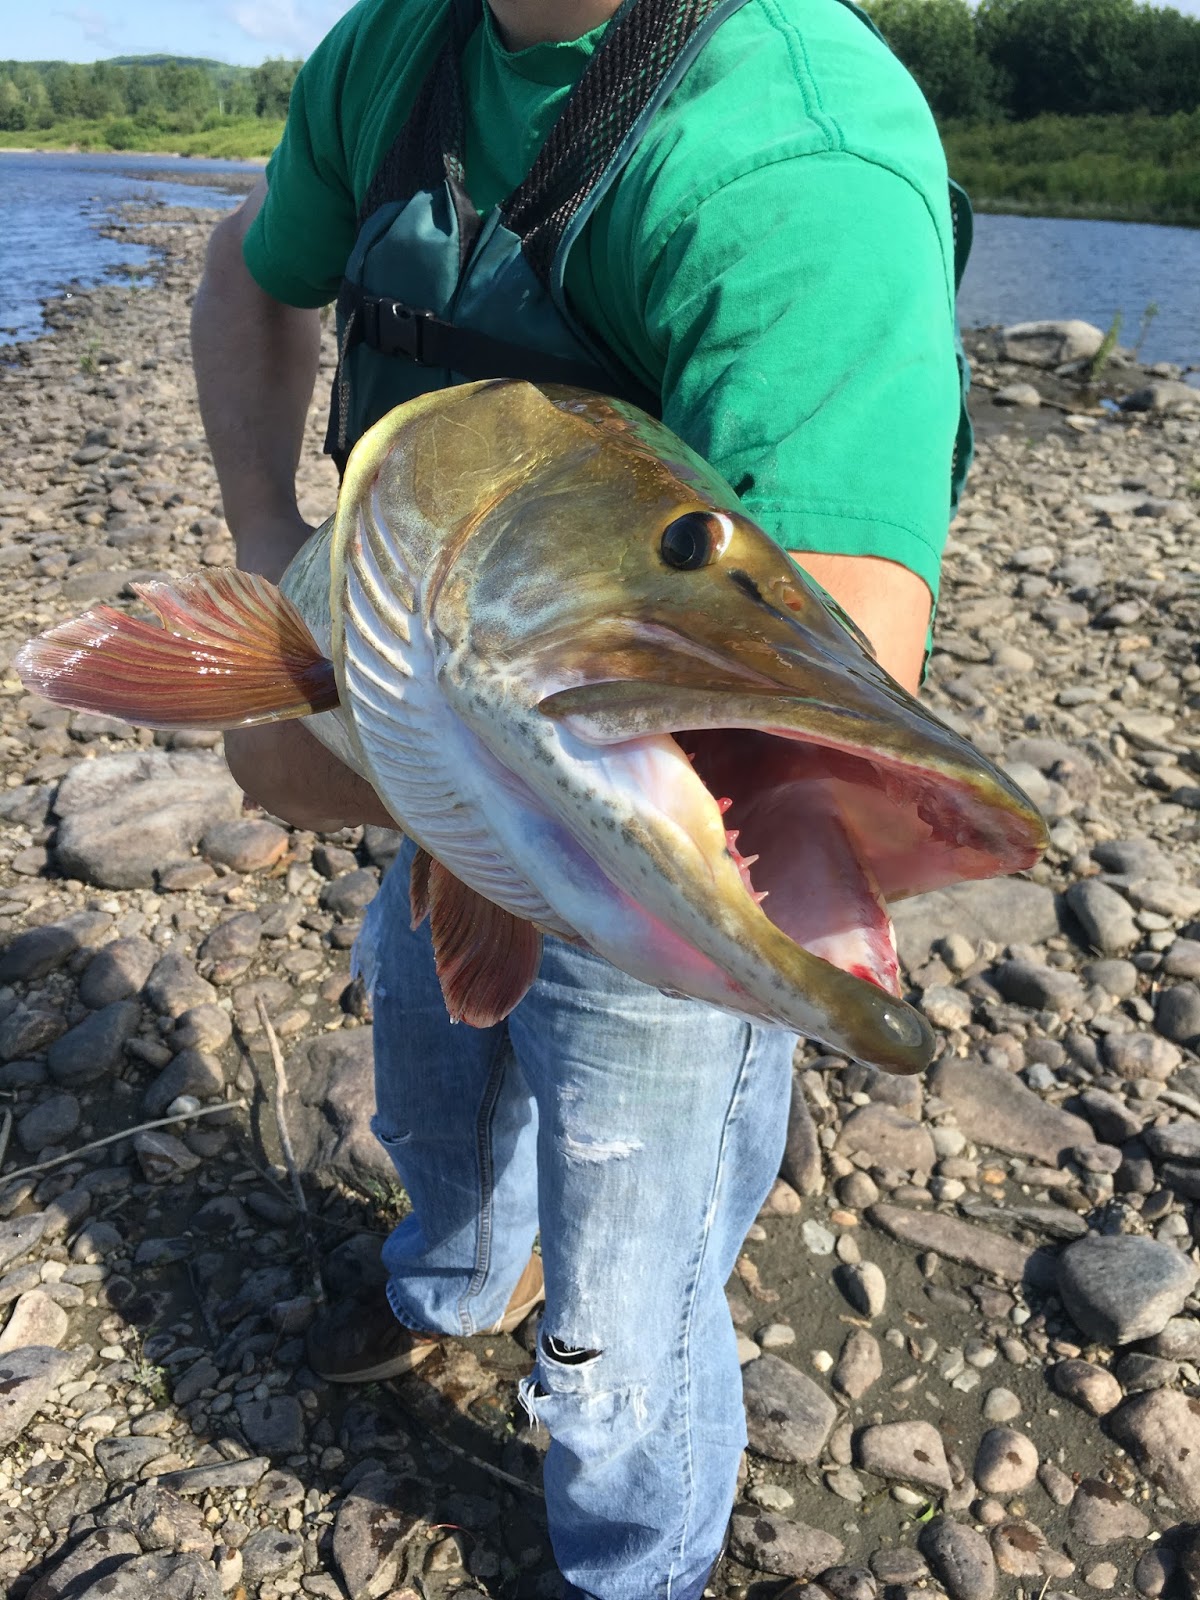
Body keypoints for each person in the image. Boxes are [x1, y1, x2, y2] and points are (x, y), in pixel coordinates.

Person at [191, 0, 970, 1594]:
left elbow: (813, 698)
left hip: (643, 821)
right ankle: (456, 1287)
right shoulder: (390, 53)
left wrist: (329, 741)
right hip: (441, 690)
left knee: (623, 1317)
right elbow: (248, 272)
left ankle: (635, 1560)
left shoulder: (791, 155)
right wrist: (271, 554)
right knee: (431, 1087)